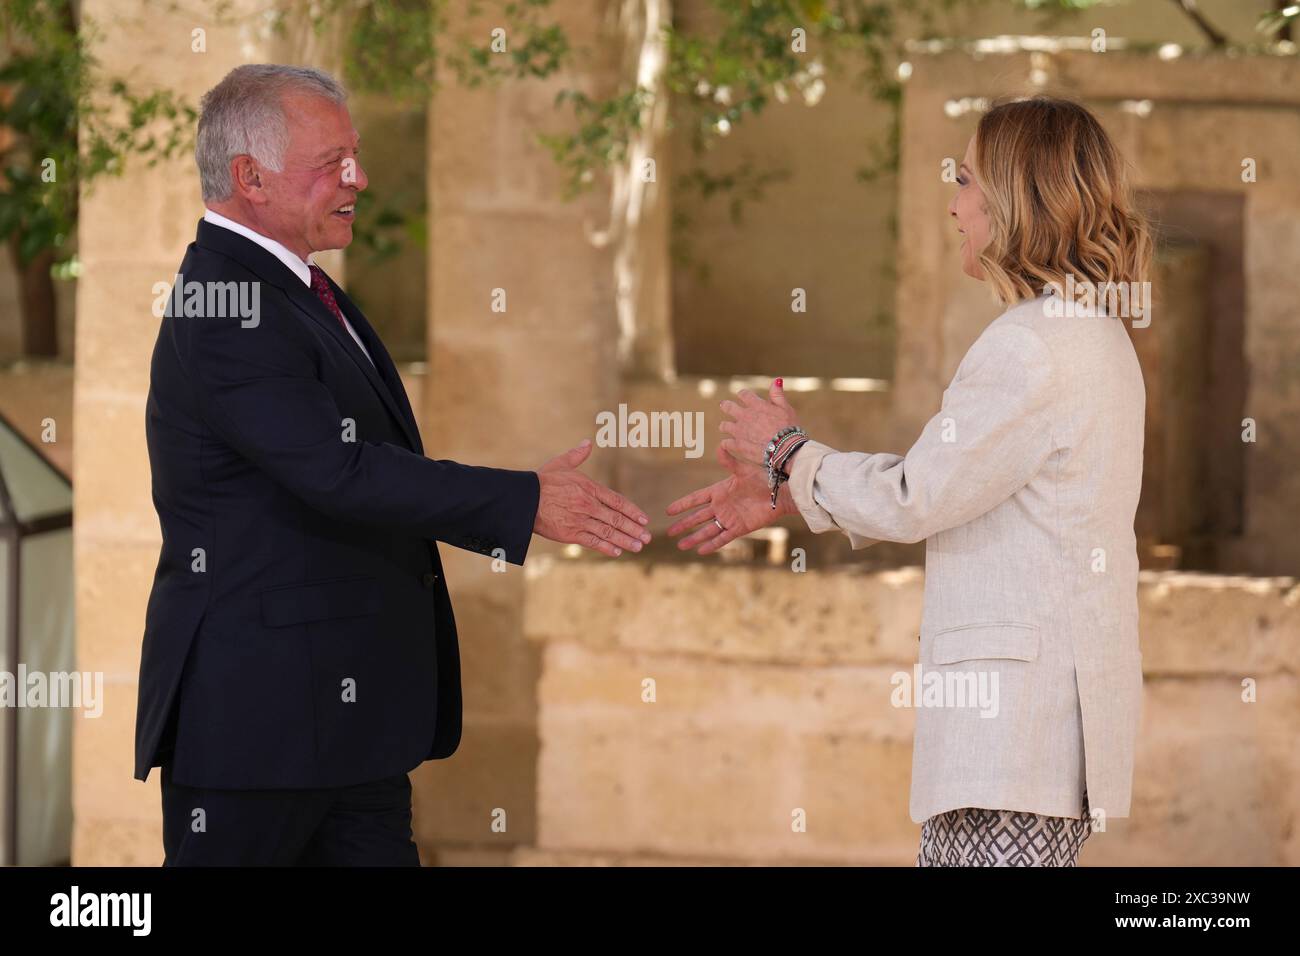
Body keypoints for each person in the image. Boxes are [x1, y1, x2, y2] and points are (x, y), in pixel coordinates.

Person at [136, 64, 651, 865]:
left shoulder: (296, 288)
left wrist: (515, 496)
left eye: (356, 155)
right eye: (331, 163)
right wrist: (522, 502)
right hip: (259, 729)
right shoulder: (224, 304)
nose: (358, 179)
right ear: (250, 177)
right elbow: (337, 473)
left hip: (348, 728)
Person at [668, 96, 1151, 867]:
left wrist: (788, 451)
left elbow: (916, 497)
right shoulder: (1094, 337)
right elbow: (952, 487)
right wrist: (796, 490)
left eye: (965, 180)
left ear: (1016, 196)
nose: (954, 205)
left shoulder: (1030, 347)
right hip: (1034, 740)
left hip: (1012, 743)